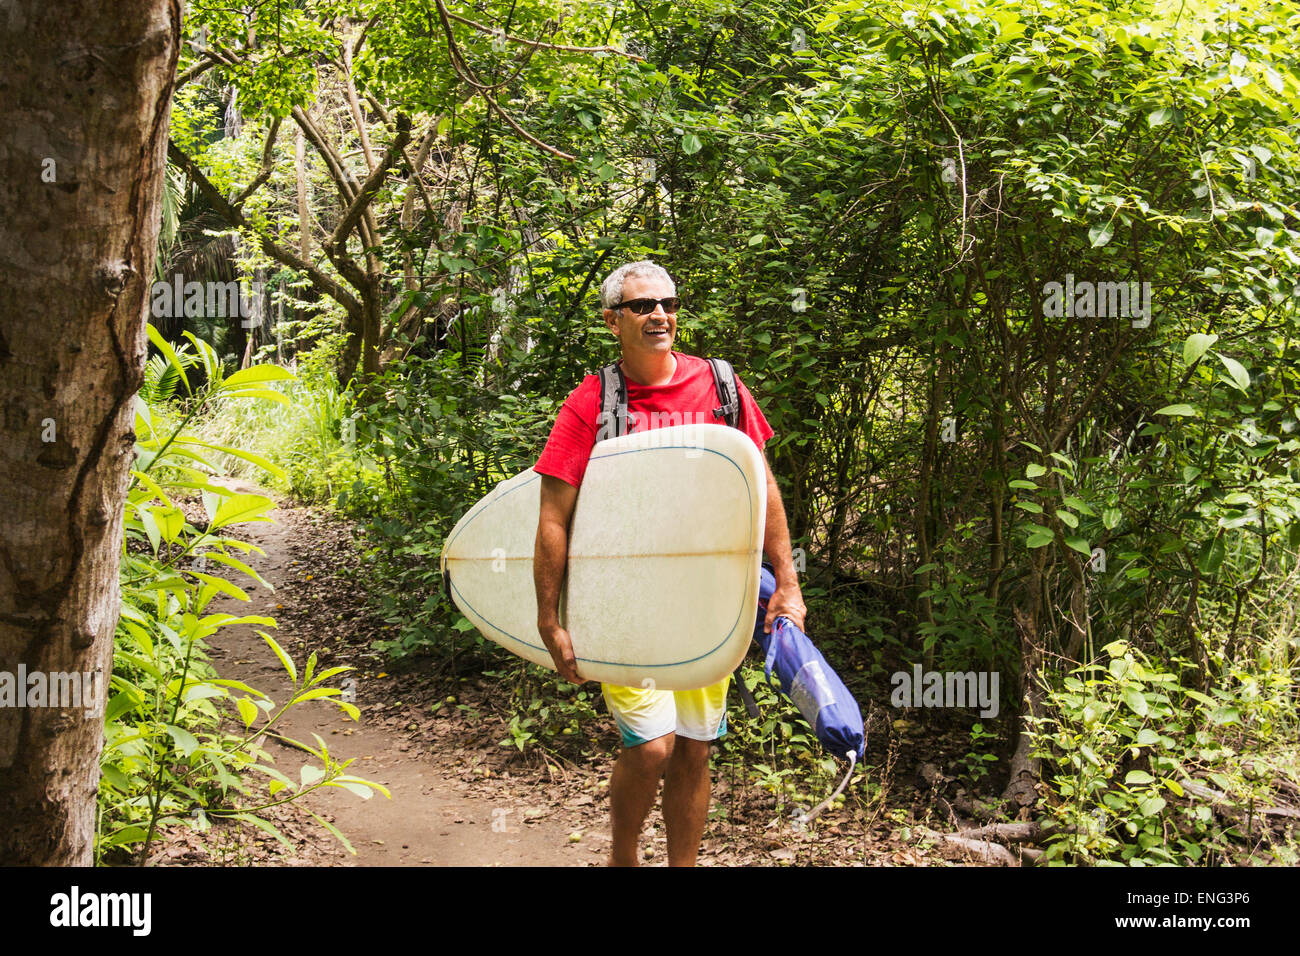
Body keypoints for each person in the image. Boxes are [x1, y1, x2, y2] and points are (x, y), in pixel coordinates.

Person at [532, 260, 806, 866]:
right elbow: (553, 516)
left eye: (668, 303)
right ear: (613, 321)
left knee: (695, 748)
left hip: (706, 597)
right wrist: (550, 622)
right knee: (651, 747)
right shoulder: (592, 402)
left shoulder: (723, 387)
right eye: (642, 306)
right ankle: (624, 855)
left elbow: (762, 487)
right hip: (626, 600)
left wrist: (787, 582)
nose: (660, 314)